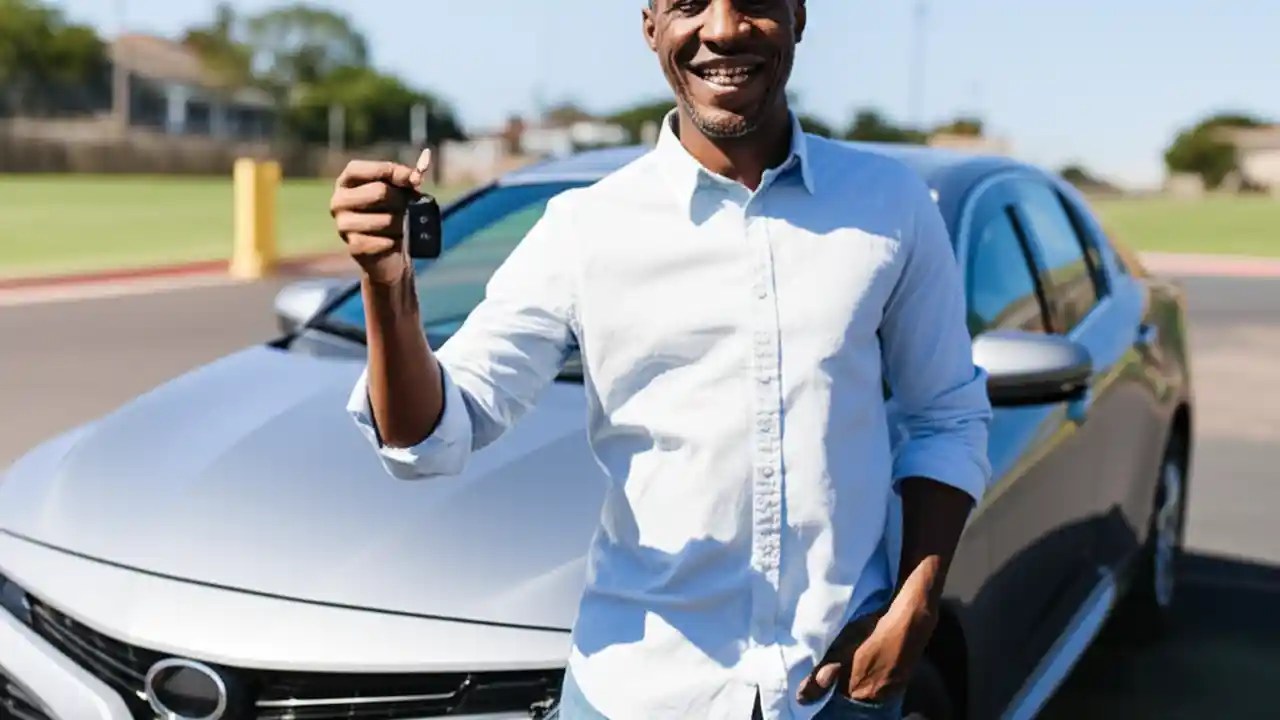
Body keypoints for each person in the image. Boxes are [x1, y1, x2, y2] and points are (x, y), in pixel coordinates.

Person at [330, 1, 992, 718]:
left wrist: (915, 602)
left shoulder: (891, 202)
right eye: (688, 4)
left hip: (836, 685)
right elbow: (429, 435)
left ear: (799, 15)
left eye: (755, 2)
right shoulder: (584, 230)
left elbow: (946, 416)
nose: (723, 28)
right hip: (636, 693)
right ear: (650, 27)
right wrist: (386, 284)